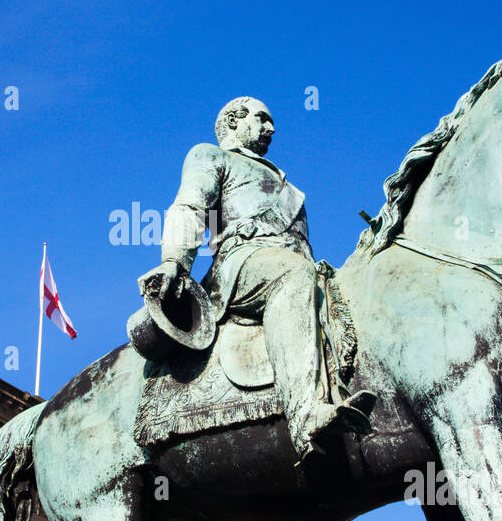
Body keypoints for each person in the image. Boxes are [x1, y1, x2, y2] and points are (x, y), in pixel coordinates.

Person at [137, 96, 375, 460]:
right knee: (293, 273)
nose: (271, 128)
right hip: (241, 262)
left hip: (292, 262)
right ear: (234, 121)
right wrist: (174, 261)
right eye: (262, 119)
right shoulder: (210, 156)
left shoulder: (284, 183)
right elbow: (189, 206)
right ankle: (306, 414)